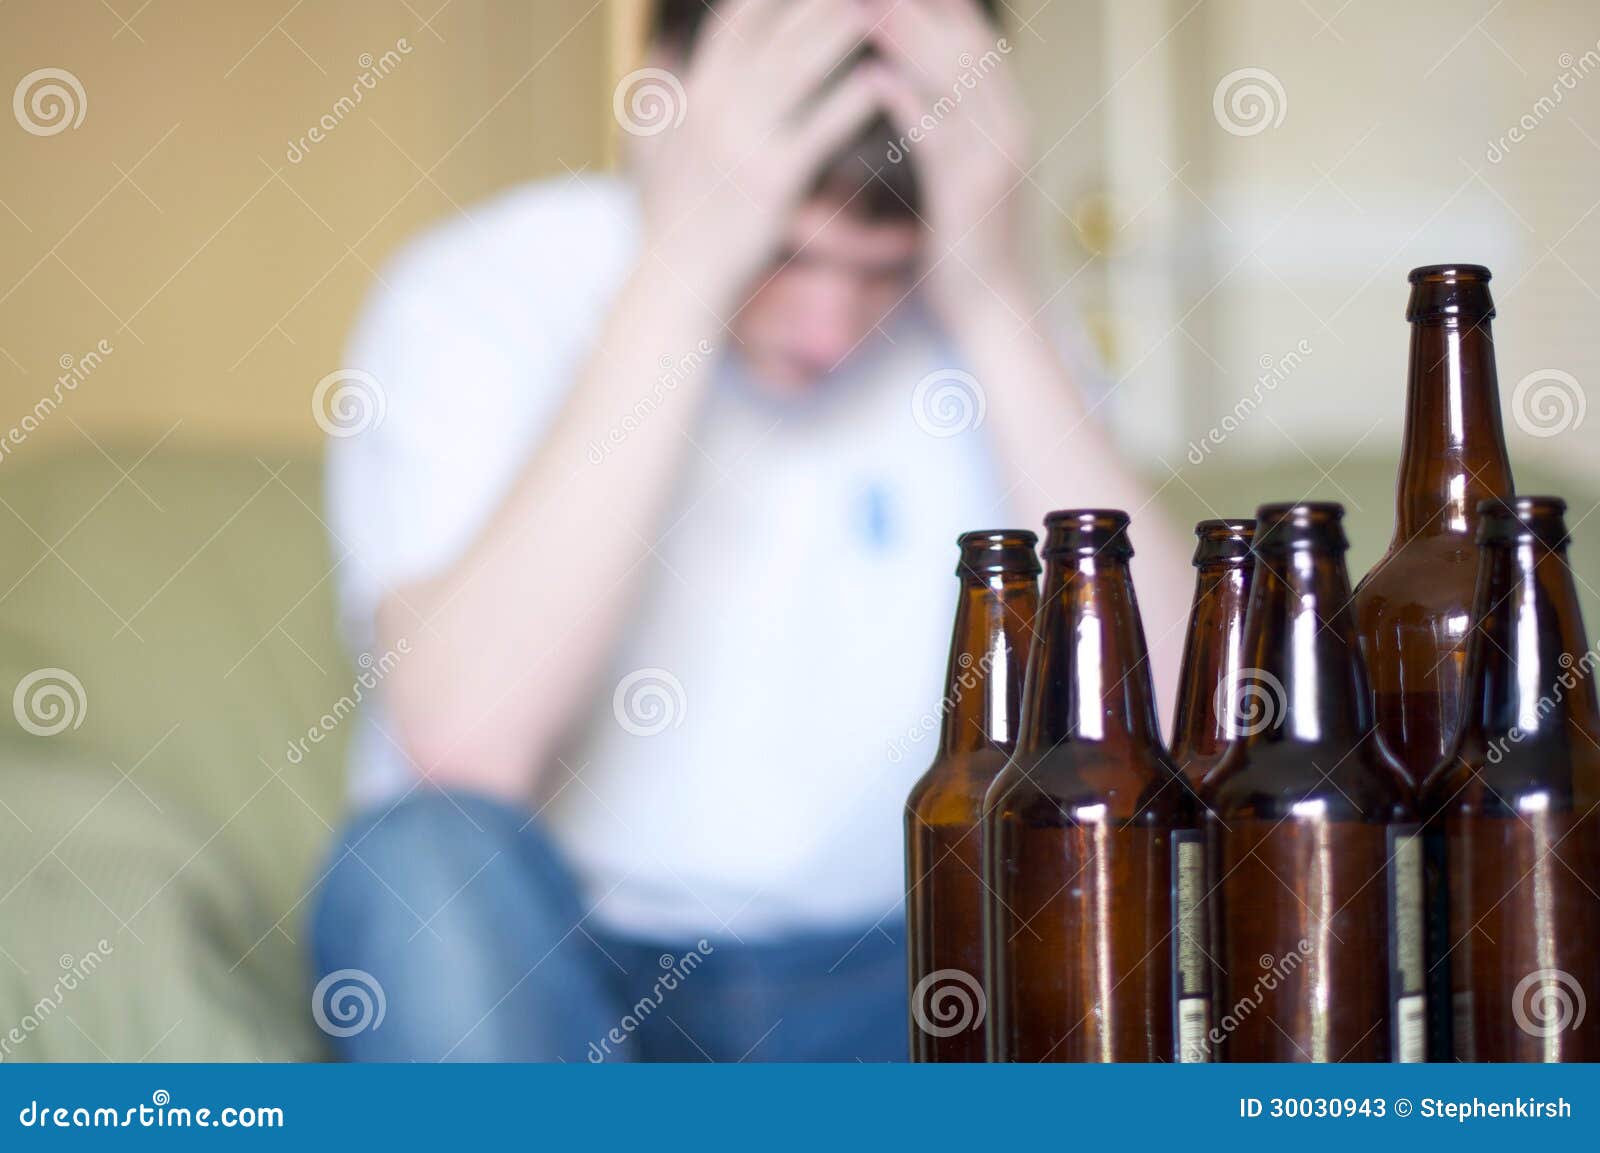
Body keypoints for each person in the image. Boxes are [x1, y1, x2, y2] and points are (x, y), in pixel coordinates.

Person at [312, 0, 1190, 1061]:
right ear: (663, 113)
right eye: (787, 255)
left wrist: (989, 290)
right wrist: (687, 268)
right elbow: (464, 743)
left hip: (909, 986)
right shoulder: (482, 292)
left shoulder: (982, 307)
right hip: (574, 980)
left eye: (879, 271)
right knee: (415, 865)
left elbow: (1197, 736)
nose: (827, 333)